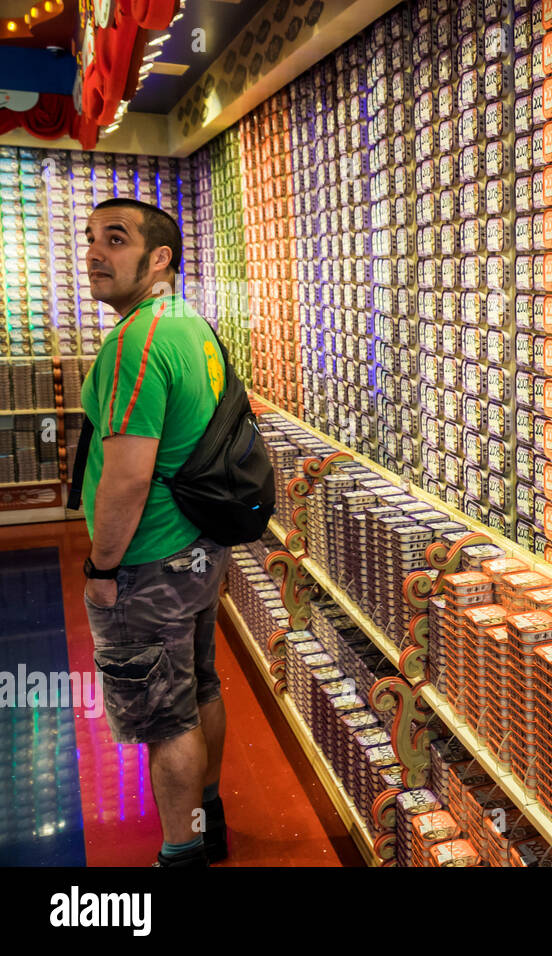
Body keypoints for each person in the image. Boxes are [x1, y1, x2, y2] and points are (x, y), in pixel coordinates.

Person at [80, 198, 231, 867]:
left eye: (115, 239)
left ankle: (183, 851)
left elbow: (126, 478)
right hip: (197, 549)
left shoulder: (133, 343)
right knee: (199, 688)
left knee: (167, 718)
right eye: (89, 239)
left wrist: (102, 569)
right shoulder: (188, 324)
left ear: (159, 258)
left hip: (148, 560)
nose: (94, 253)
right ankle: (210, 818)